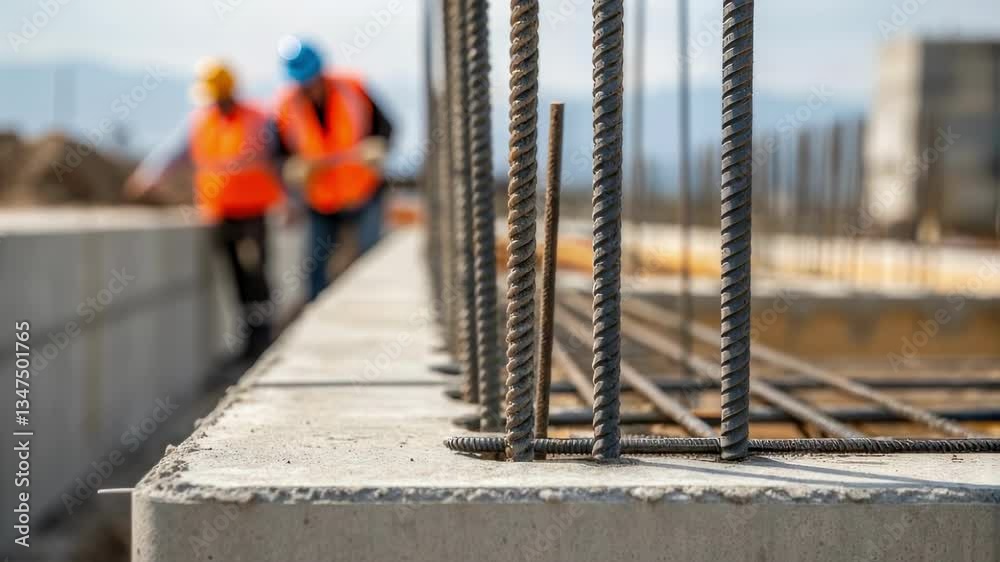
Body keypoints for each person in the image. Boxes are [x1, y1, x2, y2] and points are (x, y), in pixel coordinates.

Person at [125, 58, 285, 360]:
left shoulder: (258, 119)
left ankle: (263, 335)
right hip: (220, 211)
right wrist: (148, 178)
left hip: (254, 210)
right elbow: (175, 153)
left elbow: (280, 161)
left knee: (257, 275)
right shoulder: (203, 121)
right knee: (236, 277)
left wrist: (290, 201)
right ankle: (249, 340)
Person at [275, 36, 394, 301]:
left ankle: (369, 305)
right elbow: (281, 153)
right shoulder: (287, 106)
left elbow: (386, 126)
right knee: (315, 266)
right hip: (321, 199)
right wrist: (292, 174)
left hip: (363, 191)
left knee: (369, 256)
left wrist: (377, 147)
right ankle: (317, 306)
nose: (308, 87)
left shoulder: (351, 88)